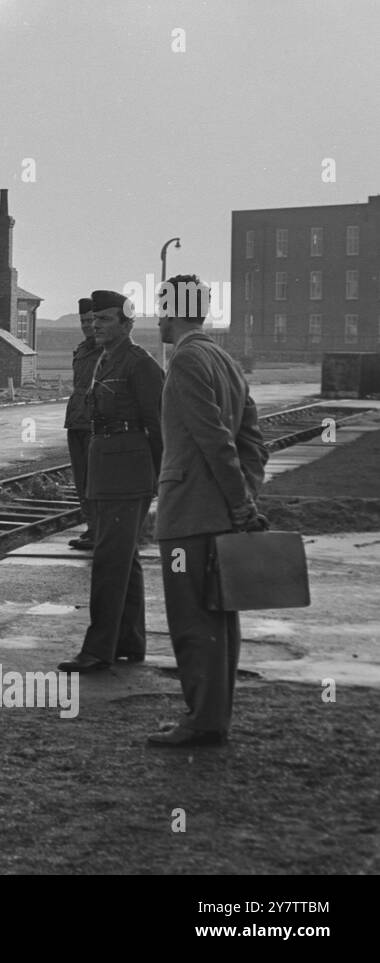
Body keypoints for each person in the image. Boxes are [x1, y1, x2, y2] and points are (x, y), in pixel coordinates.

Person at [150, 275, 268, 748]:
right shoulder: (225, 360)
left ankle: (202, 721)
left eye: (160, 310)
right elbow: (252, 441)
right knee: (220, 619)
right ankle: (212, 717)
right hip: (216, 513)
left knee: (192, 621)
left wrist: (239, 504)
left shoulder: (185, 361)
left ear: (171, 312)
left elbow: (215, 440)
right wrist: (243, 499)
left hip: (190, 516)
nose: (157, 319)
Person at [57, 289, 164, 673]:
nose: (96, 326)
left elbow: (158, 424)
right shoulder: (104, 358)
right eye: (94, 319)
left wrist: (157, 477)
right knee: (123, 560)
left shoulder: (139, 364)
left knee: (108, 563)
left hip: (127, 473)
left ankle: (98, 650)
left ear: (127, 323)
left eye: (105, 320)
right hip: (106, 469)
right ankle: (129, 642)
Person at [64, 297, 100, 550]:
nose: (87, 325)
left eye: (91, 320)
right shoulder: (82, 349)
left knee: (94, 479)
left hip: (94, 422)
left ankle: (98, 529)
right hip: (76, 419)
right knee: (80, 478)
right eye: (83, 321)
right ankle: (90, 527)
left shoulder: (106, 349)